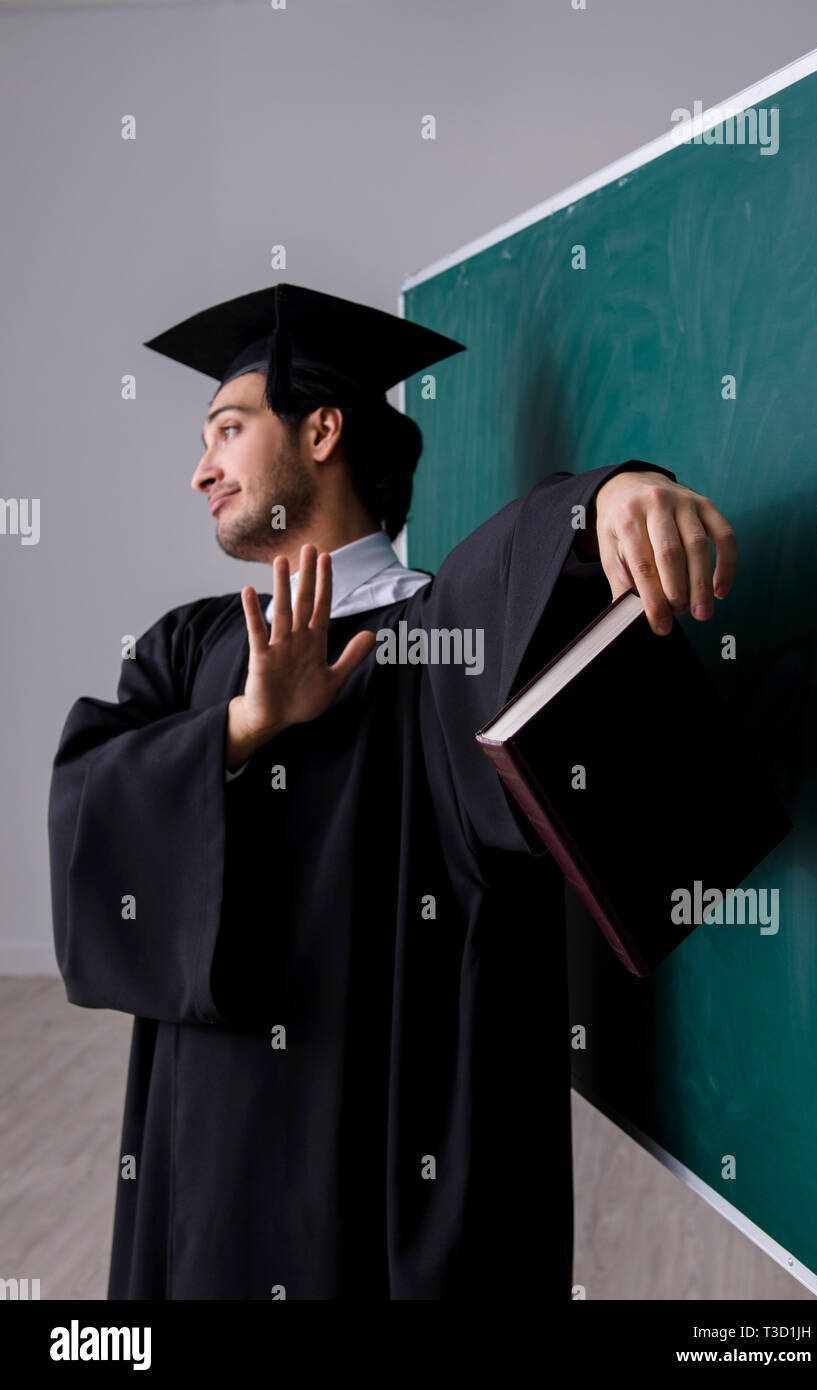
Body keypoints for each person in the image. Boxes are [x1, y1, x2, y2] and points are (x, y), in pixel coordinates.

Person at [48, 282, 736, 1300]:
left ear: (322, 431)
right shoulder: (193, 649)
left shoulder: (436, 640)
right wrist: (245, 725)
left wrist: (608, 503)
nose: (200, 469)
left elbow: (520, 571)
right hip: (205, 1175)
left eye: (228, 430)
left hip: (379, 1183)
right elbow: (88, 814)